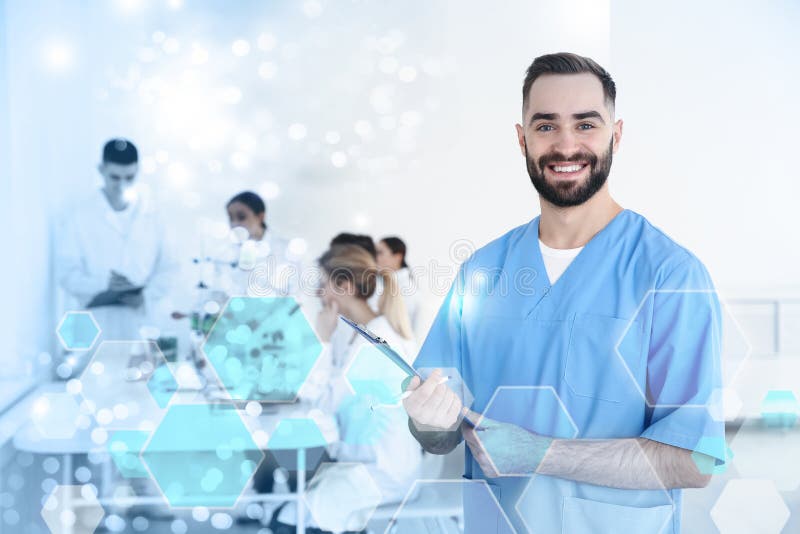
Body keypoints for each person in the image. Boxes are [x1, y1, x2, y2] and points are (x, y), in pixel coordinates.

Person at [403, 53, 724, 533]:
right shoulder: (483, 271)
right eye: (546, 126)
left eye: (586, 124)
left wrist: (543, 455)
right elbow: (440, 436)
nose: (566, 145)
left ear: (616, 136)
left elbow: (695, 460)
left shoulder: (670, 276)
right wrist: (428, 424)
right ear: (522, 139)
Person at [272, 244, 420, 532]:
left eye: (323, 284)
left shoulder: (375, 343)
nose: (318, 293)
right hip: (365, 466)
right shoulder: (364, 335)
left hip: (383, 472)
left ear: (345, 285)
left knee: (289, 520)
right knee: (289, 508)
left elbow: (324, 402)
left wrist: (323, 338)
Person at [57, 138, 177, 352]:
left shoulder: (154, 215)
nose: (122, 185)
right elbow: (67, 275)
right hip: (96, 326)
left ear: (138, 171)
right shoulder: (80, 216)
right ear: (101, 169)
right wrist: (104, 284)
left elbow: (169, 267)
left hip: (142, 323)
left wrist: (145, 296)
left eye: (129, 178)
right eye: (115, 177)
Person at [376, 236, 421, 337]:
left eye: (380, 253)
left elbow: (397, 327)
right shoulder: (381, 284)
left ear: (398, 256)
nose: (375, 258)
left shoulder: (408, 290)